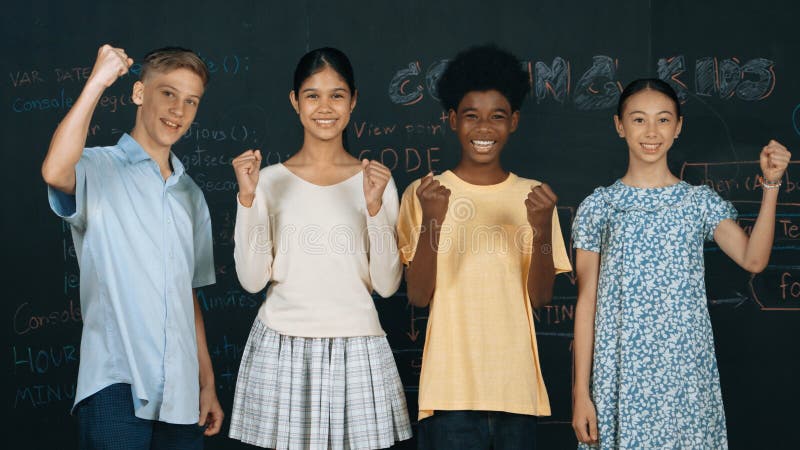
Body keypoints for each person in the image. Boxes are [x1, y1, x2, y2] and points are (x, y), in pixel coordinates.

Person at [571, 78, 791, 449]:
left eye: (663, 119)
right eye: (638, 120)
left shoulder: (697, 203)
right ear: (620, 126)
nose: (651, 132)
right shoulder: (600, 207)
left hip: (685, 376)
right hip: (620, 374)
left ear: (678, 127)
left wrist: (771, 185)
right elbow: (586, 302)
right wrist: (580, 393)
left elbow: (753, 259)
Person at [228, 47, 411, 450]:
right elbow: (252, 280)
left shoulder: (376, 181)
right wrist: (248, 200)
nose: (325, 107)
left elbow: (386, 285)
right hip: (283, 344)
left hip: (356, 345)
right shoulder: (267, 181)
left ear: (353, 101)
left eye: (337, 95)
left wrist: (375, 207)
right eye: (312, 95)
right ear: (295, 101)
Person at [41, 44, 224, 449]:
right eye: (168, 93)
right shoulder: (97, 167)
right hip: (115, 384)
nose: (178, 110)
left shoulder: (191, 195)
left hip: (182, 393)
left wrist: (206, 382)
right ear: (139, 93)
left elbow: (187, 294)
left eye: (191, 101)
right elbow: (54, 170)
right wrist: (98, 81)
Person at [396, 44, 573, 450]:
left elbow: (541, 298)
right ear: (452, 119)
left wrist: (540, 230)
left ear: (514, 121)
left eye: (497, 116)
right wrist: (434, 220)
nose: (484, 128)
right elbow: (418, 296)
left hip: (516, 392)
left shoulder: (535, 197)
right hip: (449, 395)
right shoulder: (424, 194)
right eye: (471, 115)